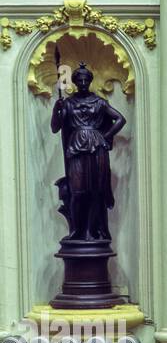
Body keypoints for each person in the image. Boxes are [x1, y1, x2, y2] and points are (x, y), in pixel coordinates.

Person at [51, 63, 126, 243]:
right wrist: (56, 109)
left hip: (96, 148)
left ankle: (92, 231)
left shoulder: (99, 102)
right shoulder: (68, 103)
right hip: (76, 148)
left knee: (95, 191)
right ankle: (77, 230)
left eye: (86, 80)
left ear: (90, 81)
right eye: (79, 80)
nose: (83, 83)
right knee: (77, 191)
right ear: (75, 82)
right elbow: (55, 127)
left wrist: (103, 136)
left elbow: (120, 119)